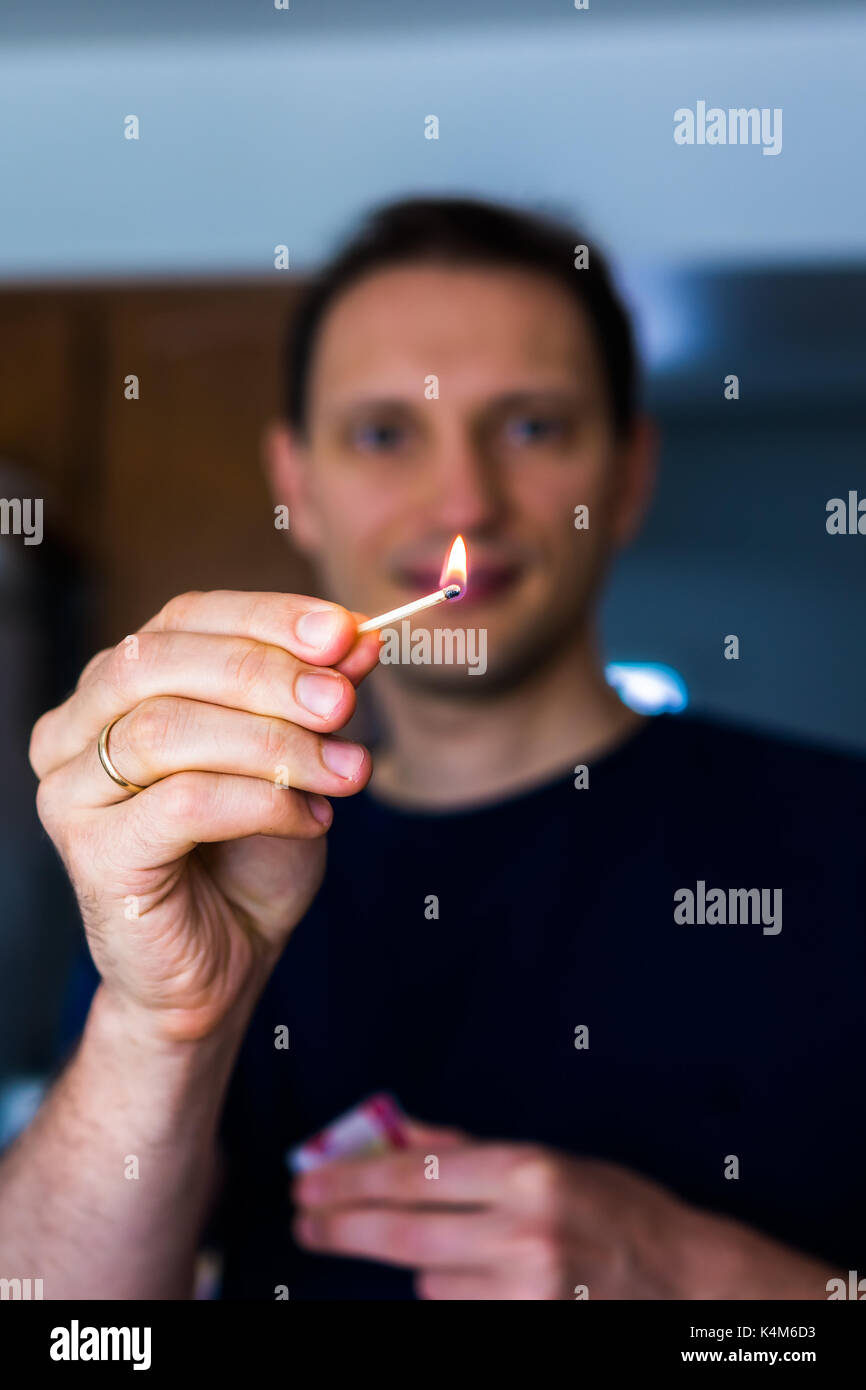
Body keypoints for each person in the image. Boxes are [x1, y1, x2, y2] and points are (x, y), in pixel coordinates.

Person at [1, 198, 863, 1301]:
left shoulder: (842, 842)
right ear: (297, 485)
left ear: (628, 475)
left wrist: (690, 1273)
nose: (462, 499)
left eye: (531, 427)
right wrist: (160, 1025)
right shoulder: (214, 855)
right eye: (383, 433)